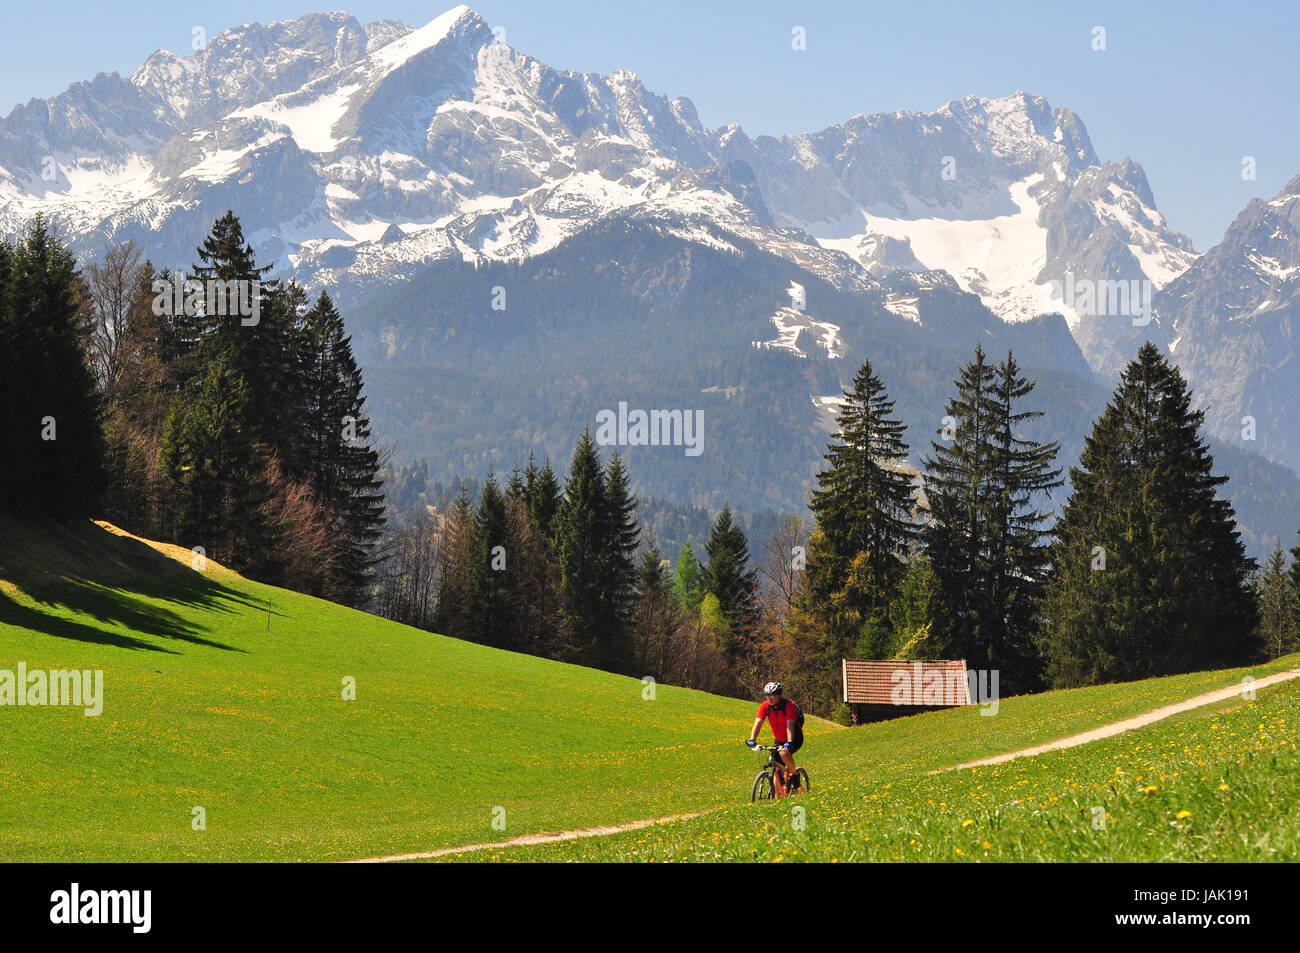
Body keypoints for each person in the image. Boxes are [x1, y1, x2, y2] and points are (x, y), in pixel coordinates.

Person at [746, 681, 803, 791]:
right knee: (777, 768)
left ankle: (795, 774)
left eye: (773, 695)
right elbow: (758, 722)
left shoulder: (788, 705)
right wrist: (752, 739)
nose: (770, 698)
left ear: (780, 695)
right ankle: (778, 798)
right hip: (779, 739)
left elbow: (790, 724)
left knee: (783, 752)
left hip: (795, 738)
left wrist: (790, 741)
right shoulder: (765, 706)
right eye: (768, 695)